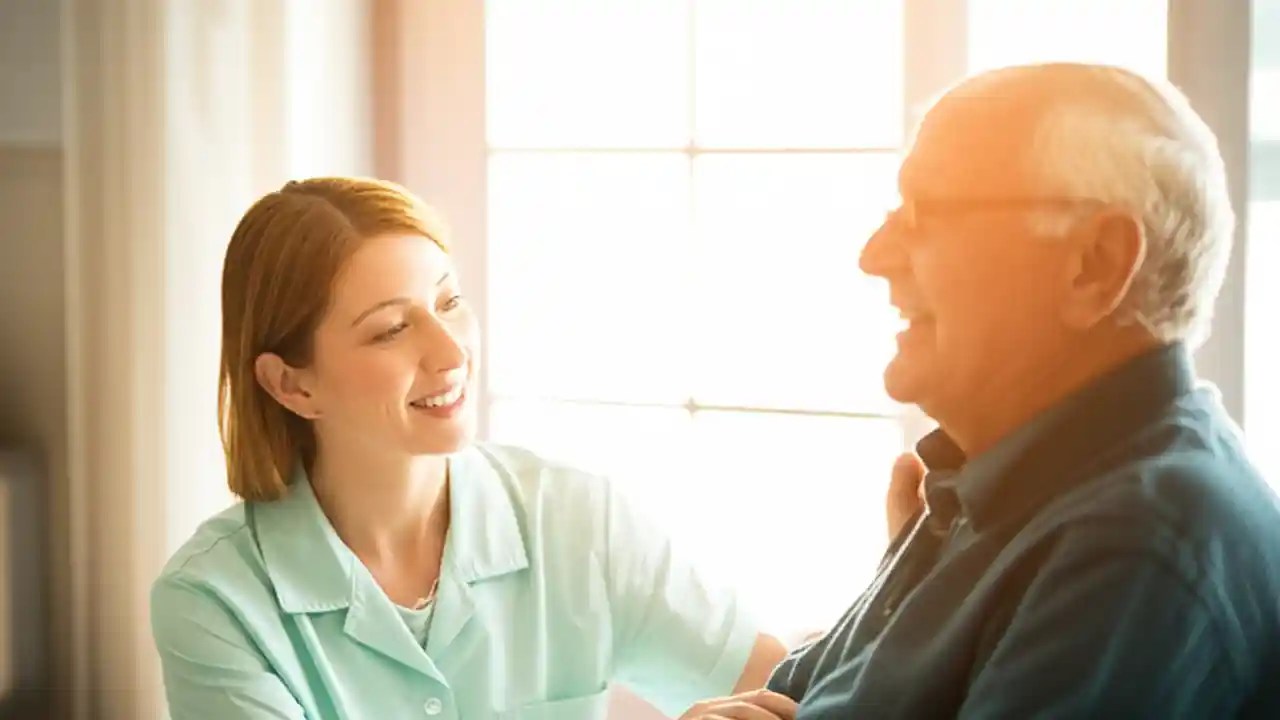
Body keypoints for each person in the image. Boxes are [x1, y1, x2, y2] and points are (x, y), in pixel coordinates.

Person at [149, 177, 795, 719]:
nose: (452, 351)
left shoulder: (577, 521)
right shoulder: (213, 601)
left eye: (449, 301)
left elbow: (790, 695)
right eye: (391, 329)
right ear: (292, 384)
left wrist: (896, 601)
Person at [766, 62, 1280, 717]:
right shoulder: (988, 485)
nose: (874, 254)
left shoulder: (1132, 546)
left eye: (923, 213)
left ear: (1094, 265)